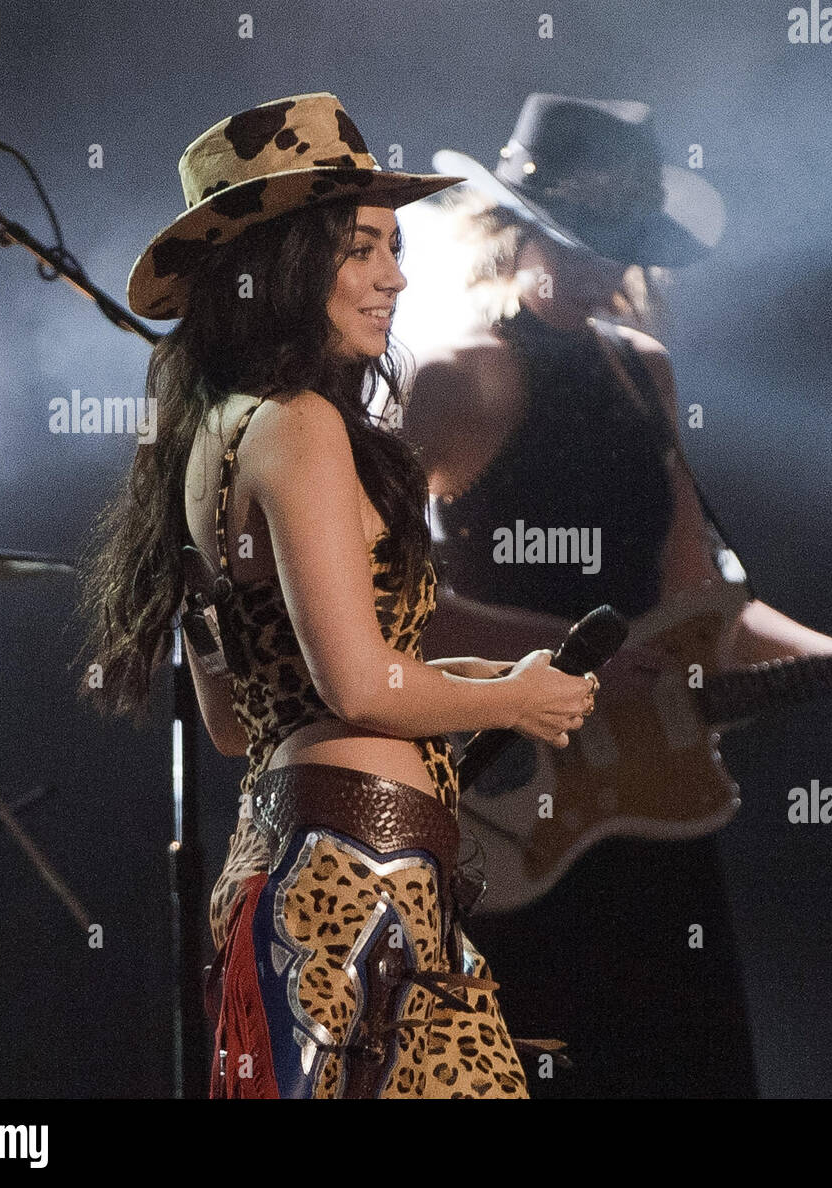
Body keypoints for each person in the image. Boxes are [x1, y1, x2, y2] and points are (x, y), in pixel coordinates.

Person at [401, 94, 832, 1097]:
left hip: (648, 803)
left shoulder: (637, 371)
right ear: (514, 224)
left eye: (622, 239)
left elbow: (703, 605)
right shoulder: (455, 376)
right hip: (506, 809)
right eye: (580, 236)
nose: (601, 262)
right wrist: (566, 659)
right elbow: (376, 604)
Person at [77, 92, 596, 1099]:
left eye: (395, 247)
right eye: (362, 249)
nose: (395, 278)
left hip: (291, 871)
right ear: (279, 261)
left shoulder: (210, 436)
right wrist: (511, 701)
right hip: (363, 883)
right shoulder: (303, 426)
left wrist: (459, 678)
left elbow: (245, 718)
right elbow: (359, 689)